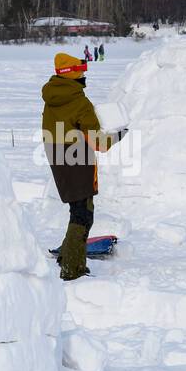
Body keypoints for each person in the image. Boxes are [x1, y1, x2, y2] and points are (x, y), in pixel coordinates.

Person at [41, 53, 125, 280]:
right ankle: (72, 269)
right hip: (77, 160)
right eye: (82, 71)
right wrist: (118, 135)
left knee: (76, 210)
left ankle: (68, 255)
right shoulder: (79, 102)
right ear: (74, 74)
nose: (85, 75)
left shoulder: (51, 97)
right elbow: (99, 143)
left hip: (57, 157)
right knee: (83, 215)